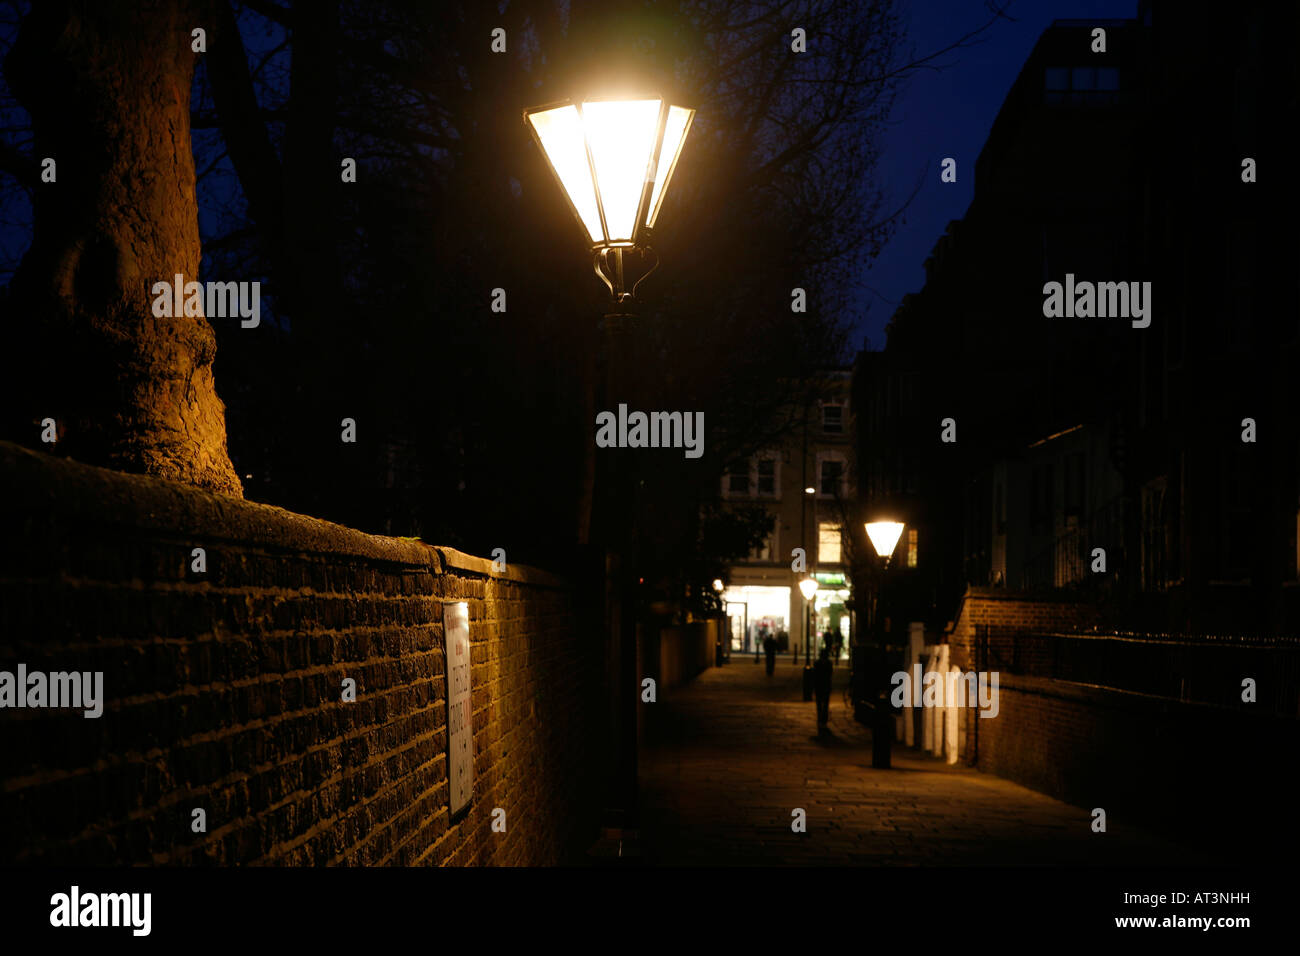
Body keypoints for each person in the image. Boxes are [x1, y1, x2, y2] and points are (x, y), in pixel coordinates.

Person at [814, 645, 833, 733]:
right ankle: (824, 719)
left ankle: (820, 718)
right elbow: (830, 674)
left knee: (819, 703)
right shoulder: (829, 663)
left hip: (818, 685)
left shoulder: (817, 663)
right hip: (826, 685)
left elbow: (815, 675)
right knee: (825, 703)